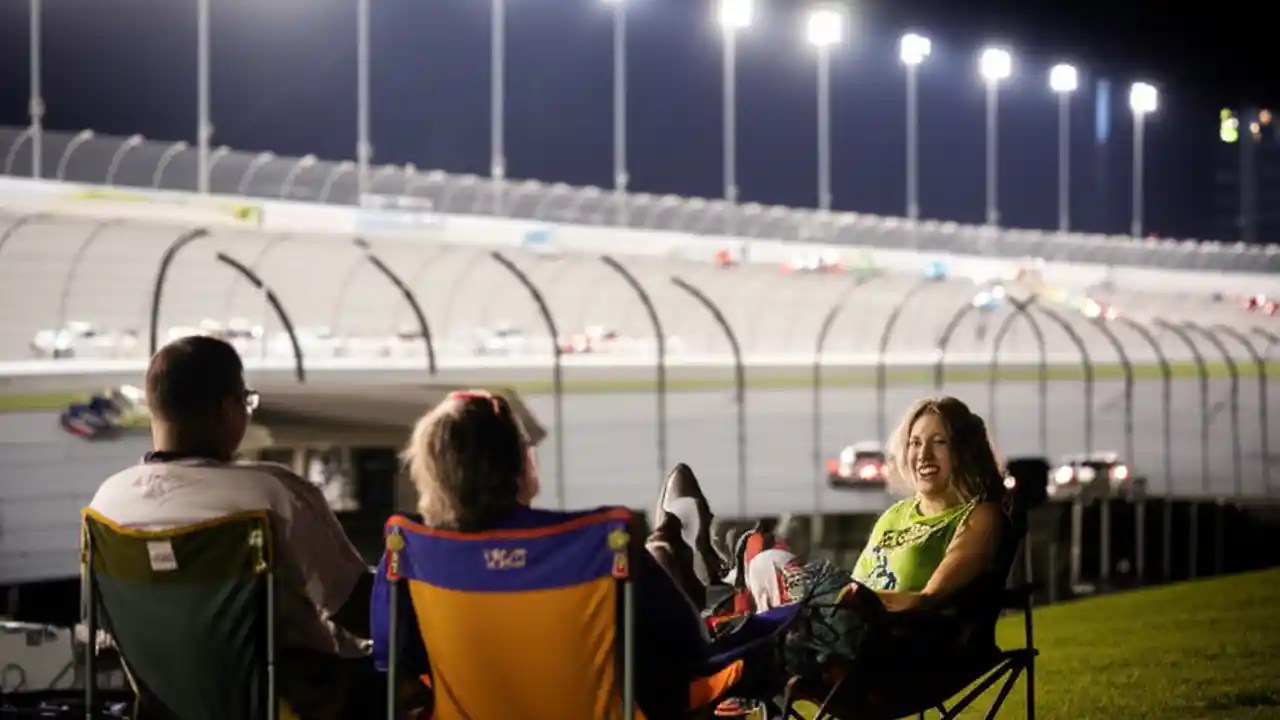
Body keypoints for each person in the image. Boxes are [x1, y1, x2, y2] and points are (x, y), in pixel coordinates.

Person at [373, 389, 780, 719]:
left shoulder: (408, 557)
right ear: (522, 466)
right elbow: (690, 651)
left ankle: (673, 545)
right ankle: (675, 547)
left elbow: (398, 675)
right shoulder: (596, 543)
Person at [87, 336, 380, 719]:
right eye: (246, 401)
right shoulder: (271, 494)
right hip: (294, 705)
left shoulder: (107, 505)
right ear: (228, 409)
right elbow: (360, 611)